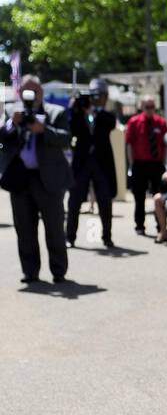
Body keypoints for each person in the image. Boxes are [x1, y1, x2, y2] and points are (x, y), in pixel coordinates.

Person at [0, 74, 73, 283]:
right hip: (20, 179)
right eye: (26, 91)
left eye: (34, 91)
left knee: (54, 228)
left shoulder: (55, 112)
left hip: (48, 179)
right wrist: (11, 125)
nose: (30, 95)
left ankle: (59, 271)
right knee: (24, 229)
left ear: (41, 92)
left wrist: (44, 130)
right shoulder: (11, 112)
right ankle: (30, 272)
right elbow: (1, 140)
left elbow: (66, 139)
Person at [66, 78, 117, 249]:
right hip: (82, 163)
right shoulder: (79, 113)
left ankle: (107, 237)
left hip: (101, 163)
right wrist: (74, 108)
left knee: (105, 200)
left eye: (100, 95)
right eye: (94, 95)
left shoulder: (107, 115)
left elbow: (108, 124)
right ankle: (70, 236)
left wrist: (92, 112)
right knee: (74, 200)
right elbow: (71, 129)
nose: (96, 98)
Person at [125, 96, 167, 234]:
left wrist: (164, 162)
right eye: (147, 107)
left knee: (159, 196)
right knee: (139, 197)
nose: (150, 110)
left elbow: (165, 145)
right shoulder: (134, 122)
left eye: (152, 107)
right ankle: (139, 226)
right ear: (142, 107)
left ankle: (160, 226)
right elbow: (129, 144)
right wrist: (131, 164)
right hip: (140, 164)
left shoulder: (161, 122)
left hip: (156, 164)